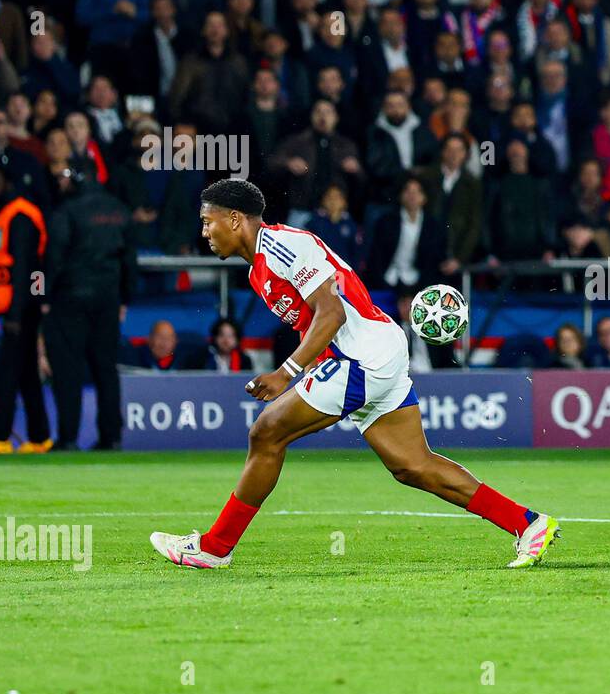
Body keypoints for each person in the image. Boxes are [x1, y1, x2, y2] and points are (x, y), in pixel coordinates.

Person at [149, 179, 559, 570]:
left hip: (362, 356)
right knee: (412, 465)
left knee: (266, 432)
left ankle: (215, 548)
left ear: (235, 219)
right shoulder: (259, 267)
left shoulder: (282, 246)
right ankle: (527, 522)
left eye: (208, 221)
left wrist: (286, 372)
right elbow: (313, 319)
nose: (204, 231)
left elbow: (332, 312)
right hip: (373, 351)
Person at [41, 164, 137, 451]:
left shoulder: (66, 211)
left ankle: (68, 438)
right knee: (105, 369)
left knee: (67, 370)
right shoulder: (119, 210)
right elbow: (129, 261)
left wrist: (42, 297)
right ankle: (112, 437)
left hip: (69, 298)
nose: (60, 182)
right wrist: (125, 299)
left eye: (64, 177)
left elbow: (52, 259)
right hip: (108, 298)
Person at [0, 165, 50, 453]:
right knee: (26, 373)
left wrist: (16, 314)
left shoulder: (20, 215)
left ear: (7, 184)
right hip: (6, 305)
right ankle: (39, 438)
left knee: (8, 372)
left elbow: (27, 269)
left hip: (22, 307)